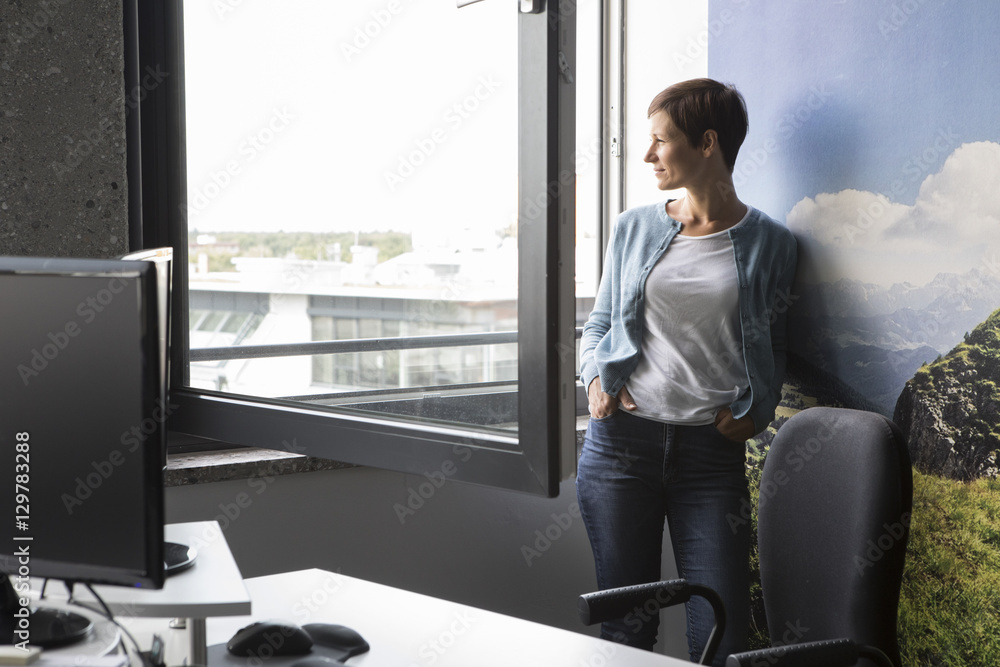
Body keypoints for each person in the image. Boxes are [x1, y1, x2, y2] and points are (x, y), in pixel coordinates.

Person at [576, 78, 797, 665]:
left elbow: (773, 344)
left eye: (659, 141)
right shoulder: (633, 229)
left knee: (721, 636)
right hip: (621, 450)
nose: (647, 155)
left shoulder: (772, 243)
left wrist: (758, 412)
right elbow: (597, 327)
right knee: (627, 632)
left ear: (706, 144)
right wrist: (595, 381)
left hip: (710, 460)